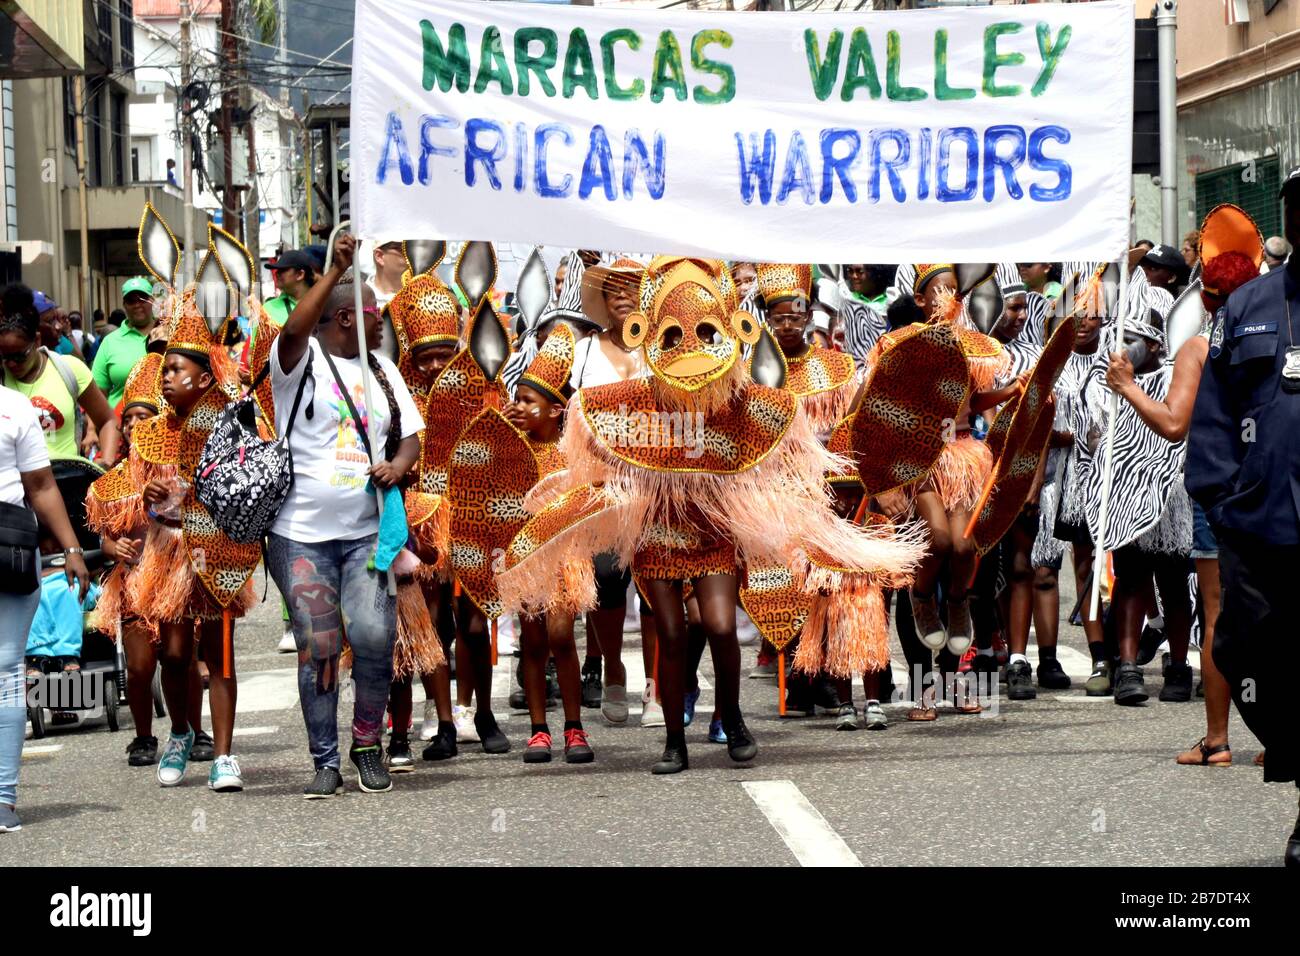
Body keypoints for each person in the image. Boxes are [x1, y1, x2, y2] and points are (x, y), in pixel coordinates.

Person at [498, 256, 924, 774]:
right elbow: (591, 428)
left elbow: (779, 431)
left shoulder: (737, 401)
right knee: (673, 635)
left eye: (704, 333)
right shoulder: (632, 401)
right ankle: (674, 740)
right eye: (676, 336)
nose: (691, 349)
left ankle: (735, 718)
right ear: (650, 336)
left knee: (721, 626)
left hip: (712, 529)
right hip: (655, 532)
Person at [267, 232, 423, 798]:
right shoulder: (297, 362)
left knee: (376, 636)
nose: (382, 324)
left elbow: (411, 439)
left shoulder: (384, 371)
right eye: (373, 315)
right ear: (343, 318)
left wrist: (396, 465)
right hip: (300, 536)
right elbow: (290, 329)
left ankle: (366, 744)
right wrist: (334, 271)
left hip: (365, 536)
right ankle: (325, 759)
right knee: (321, 644)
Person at [1107, 203, 1263, 762]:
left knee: (1220, 613)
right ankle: (1277, 737)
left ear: (1209, 301)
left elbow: (1172, 424)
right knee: (1280, 609)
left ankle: (1218, 740)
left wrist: (1126, 386)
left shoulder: (1199, 349)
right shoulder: (1276, 341)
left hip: (1217, 496)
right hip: (1272, 492)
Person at [1186, 166, 1300, 866]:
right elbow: (1216, 417)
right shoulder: (1249, 305)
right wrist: (1225, 502)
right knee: (1249, 656)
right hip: (1265, 531)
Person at [86, 352, 213, 767]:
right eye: (129, 419)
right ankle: (143, 737)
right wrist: (115, 549)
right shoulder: (111, 483)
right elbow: (105, 541)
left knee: (183, 659)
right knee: (140, 668)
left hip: (177, 579)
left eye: (145, 417)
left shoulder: (176, 468)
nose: (135, 425)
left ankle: (192, 730)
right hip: (134, 586)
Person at [0, 383, 90, 834]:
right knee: (6, 672)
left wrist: (72, 548)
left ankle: (3, 796)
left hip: (9, 551)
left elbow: (41, 484)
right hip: (13, 549)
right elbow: (40, 484)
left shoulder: (14, 407)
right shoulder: (14, 406)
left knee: (6, 670)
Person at [505, 324, 594, 764]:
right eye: (517, 399)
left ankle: (574, 727)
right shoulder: (512, 449)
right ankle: (539, 729)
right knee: (533, 641)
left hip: (567, 556)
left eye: (527, 401)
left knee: (562, 635)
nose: (518, 407)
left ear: (556, 410)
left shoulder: (572, 451)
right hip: (526, 559)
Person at [574, 257, 647, 725]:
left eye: (632, 288)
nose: (623, 296)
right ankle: (614, 667)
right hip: (600, 485)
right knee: (605, 581)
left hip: (658, 485)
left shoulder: (662, 348)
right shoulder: (583, 351)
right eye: (614, 289)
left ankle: (660, 683)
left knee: (662, 586)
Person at [1, 285, 121, 467]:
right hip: (14, 490)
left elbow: (107, 420)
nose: (11, 364)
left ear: (37, 340)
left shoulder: (69, 368)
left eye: (19, 356)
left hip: (68, 483)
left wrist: (107, 462)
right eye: (5, 357)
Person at [92, 278, 157, 410]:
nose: (137, 304)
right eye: (131, 301)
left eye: (142, 298)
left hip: (165, 424)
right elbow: (98, 392)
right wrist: (92, 430)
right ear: (124, 305)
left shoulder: (169, 334)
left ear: (152, 301)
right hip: (121, 424)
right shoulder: (110, 342)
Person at [262, 250, 317, 327]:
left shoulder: (322, 304)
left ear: (300, 274)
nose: (277, 273)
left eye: (283, 270)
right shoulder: (268, 309)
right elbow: (260, 339)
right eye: (277, 270)